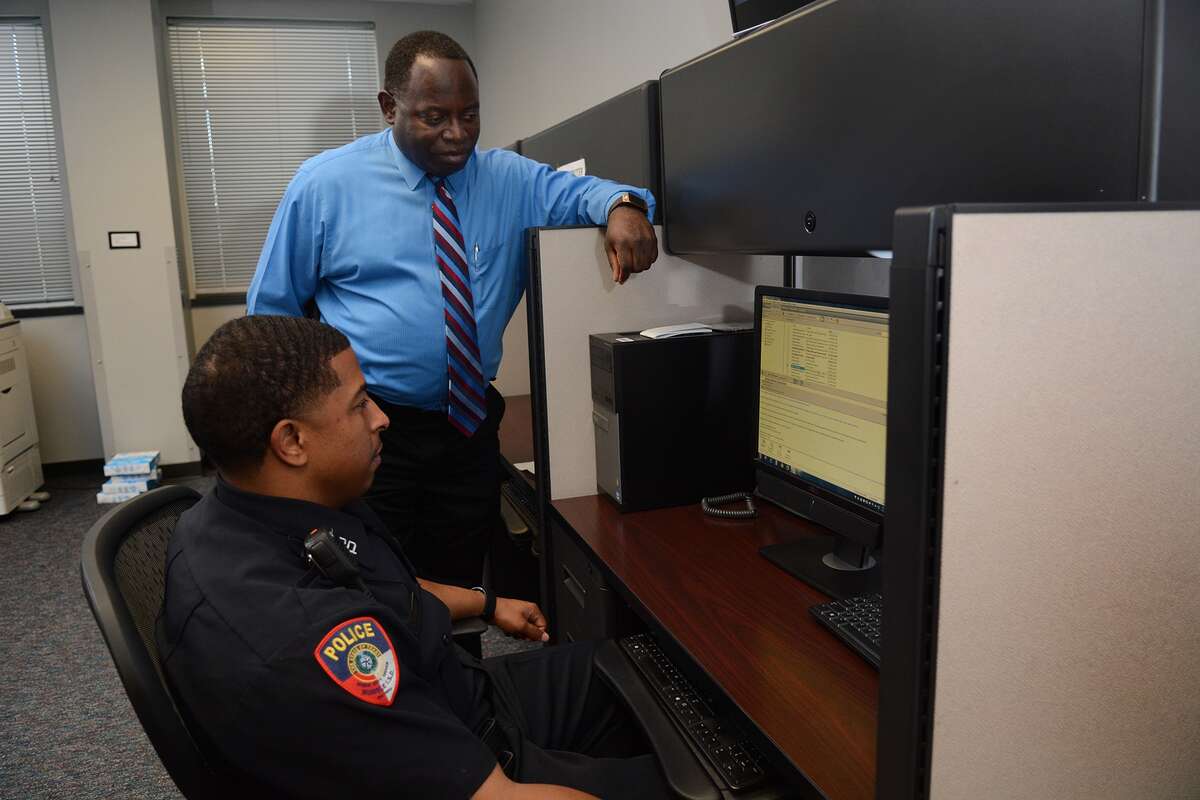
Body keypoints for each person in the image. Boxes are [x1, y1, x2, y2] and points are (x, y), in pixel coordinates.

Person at [158, 315, 671, 799]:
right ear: (292, 441)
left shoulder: (253, 511)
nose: (382, 418)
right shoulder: (306, 644)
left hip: (458, 689)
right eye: (360, 404)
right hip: (466, 752)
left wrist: (485, 604)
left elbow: (383, 592)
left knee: (644, 671)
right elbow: (496, 794)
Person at [246, 31, 658, 589]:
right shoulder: (324, 185)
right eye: (435, 117)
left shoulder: (509, 178)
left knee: (459, 583)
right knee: (372, 588)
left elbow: (587, 193)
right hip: (371, 429)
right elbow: (271, 323)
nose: (457, 134)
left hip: (467, 430)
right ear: (389, 107)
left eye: (470, 114)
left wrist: (625, 206)